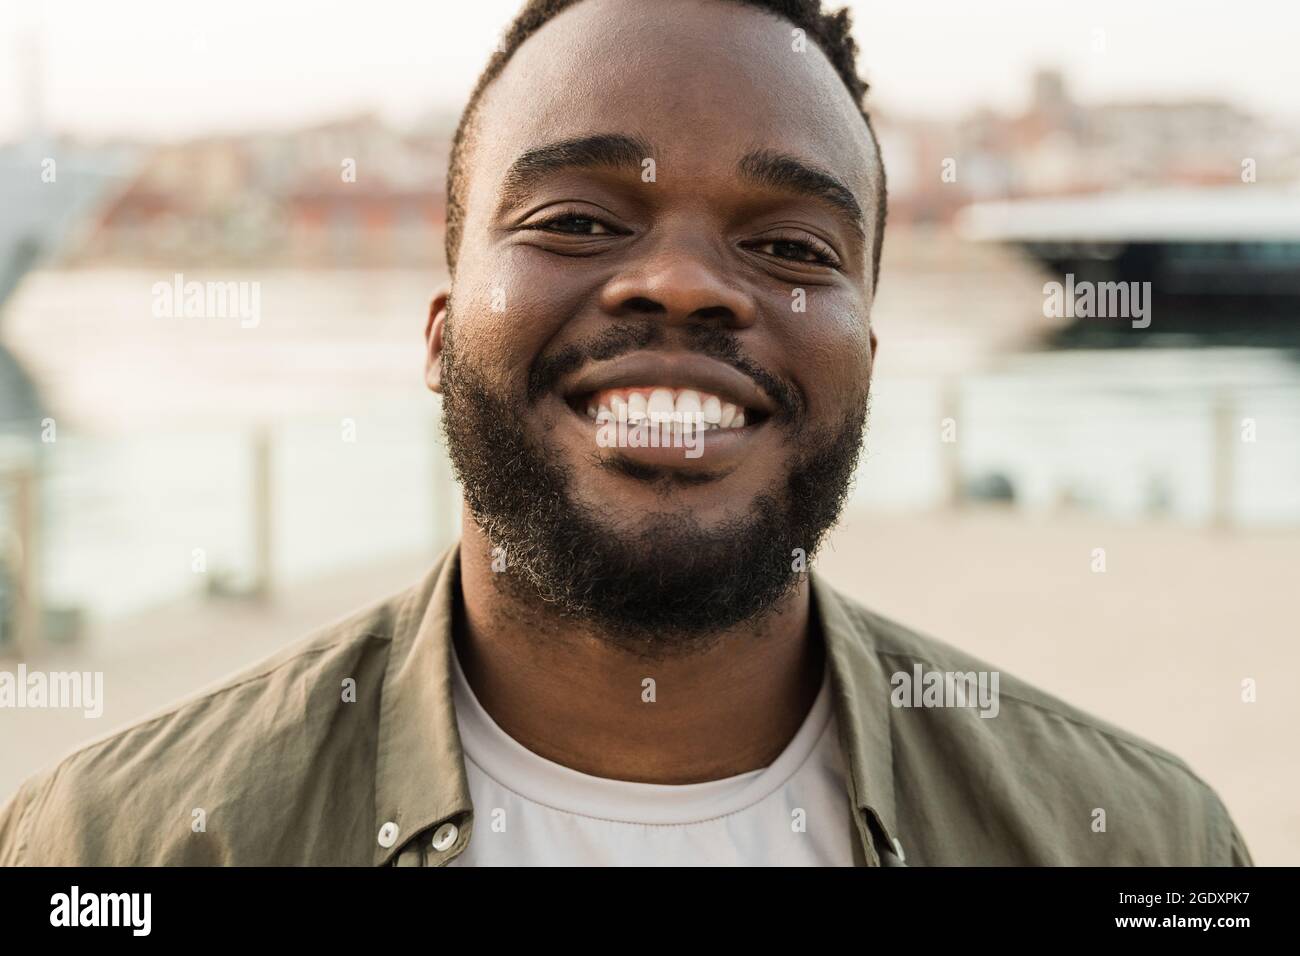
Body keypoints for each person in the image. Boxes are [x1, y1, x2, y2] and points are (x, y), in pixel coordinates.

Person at [0, 0, 1251, 866]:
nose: (685, 286)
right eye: (577, 220)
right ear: (437, 333)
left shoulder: (1142, 841)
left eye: (790, 247)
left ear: (865, 363)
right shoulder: (115, 844)